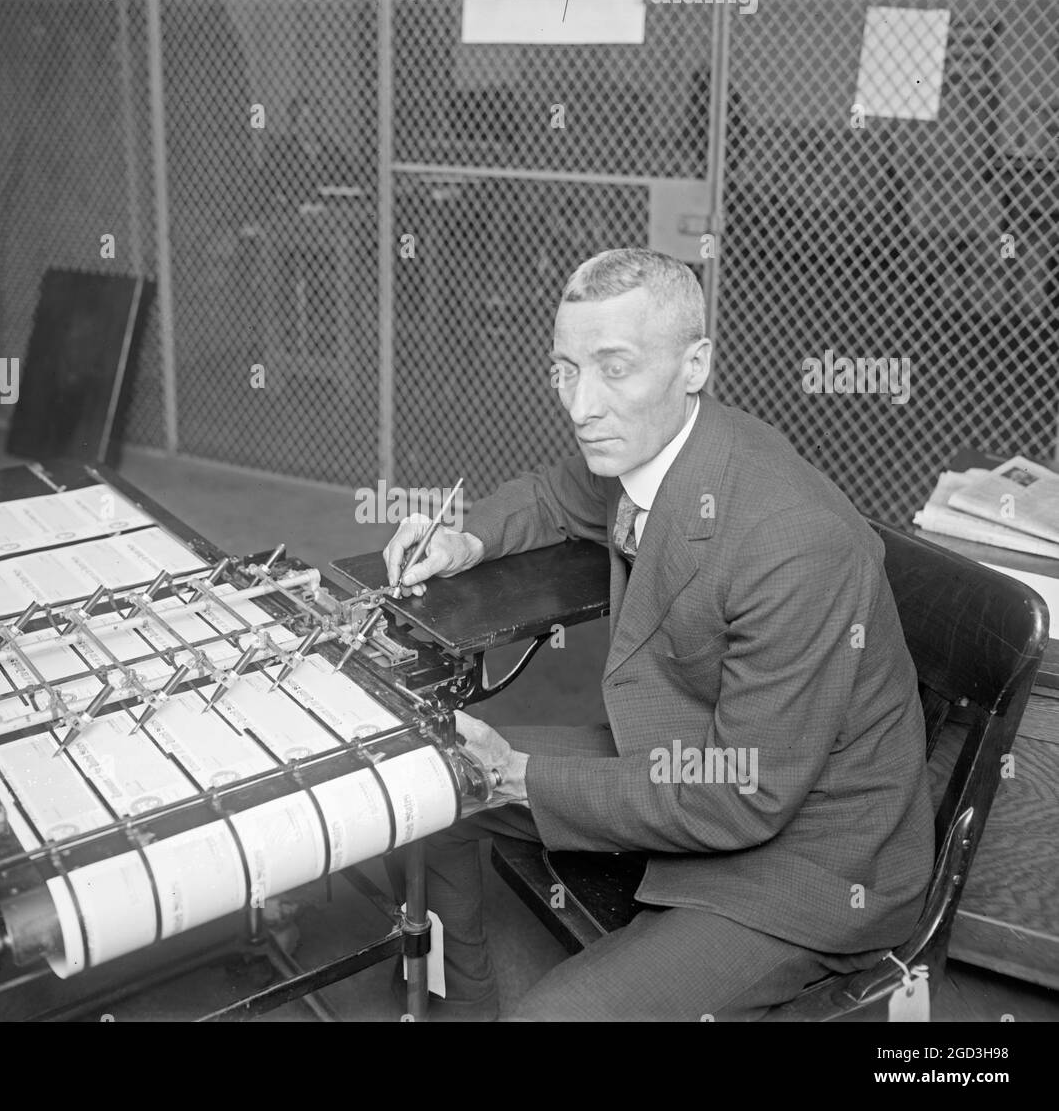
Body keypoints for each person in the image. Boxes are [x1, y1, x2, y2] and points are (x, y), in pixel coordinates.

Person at [381, 247, 934, 1021]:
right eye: (565, 370)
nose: (581, 405)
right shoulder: (654, 441)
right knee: (428, 790)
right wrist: (465, 542)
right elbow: (551, 493)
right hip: (682, 751)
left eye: (614, 367)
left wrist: (515, 774)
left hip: (805, 859)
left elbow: (745, 797)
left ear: (695, 363)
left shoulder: (794, 539)